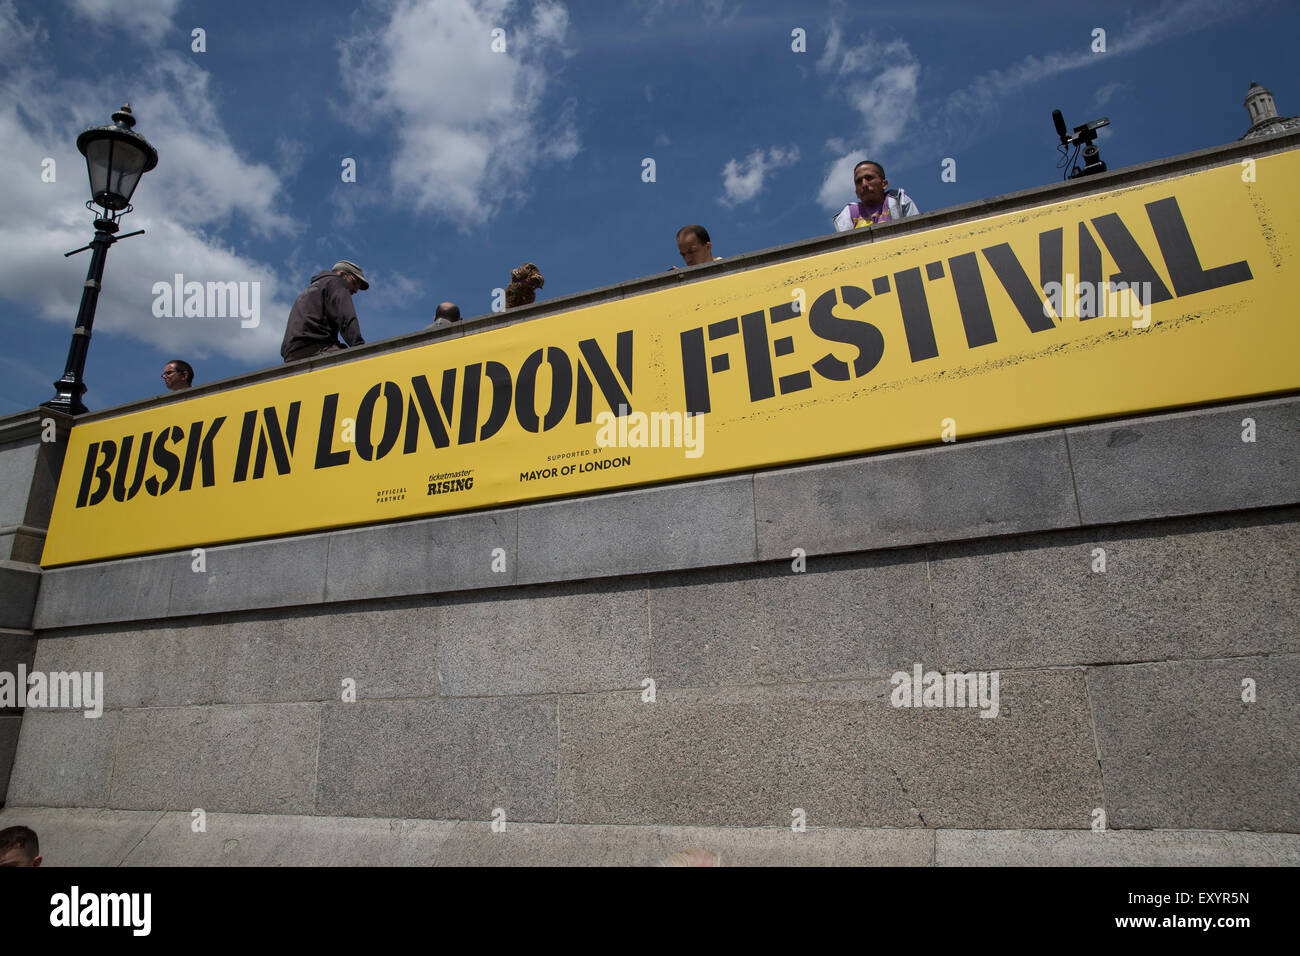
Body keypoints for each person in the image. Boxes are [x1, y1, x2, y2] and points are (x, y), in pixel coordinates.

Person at [281, 259, 369, 363]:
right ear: (341, 274)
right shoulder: (336, 282)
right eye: (354, 283)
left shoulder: (312, 290)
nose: (355, 290)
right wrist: (360, 349)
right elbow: (346, 318)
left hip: (291, 353)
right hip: (316, 347)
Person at [832, 160, 920, 232]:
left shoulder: (899, 201)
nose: (864, 184)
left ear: (884, 184)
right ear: (856, 193)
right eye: (859, 181)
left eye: (869, 178)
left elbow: (918, 230)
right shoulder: (849, 214)